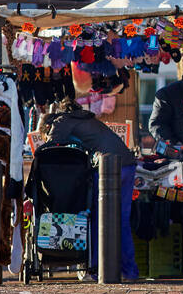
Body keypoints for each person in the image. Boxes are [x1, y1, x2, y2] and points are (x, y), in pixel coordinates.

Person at [43, 106, 139, 282]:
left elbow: (49, 147)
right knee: (122, 220)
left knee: (97, 219)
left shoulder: (61, 121)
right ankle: (130, 271)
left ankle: (96, 270)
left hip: (107, 167)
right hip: (127, 165)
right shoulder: (86, 119)